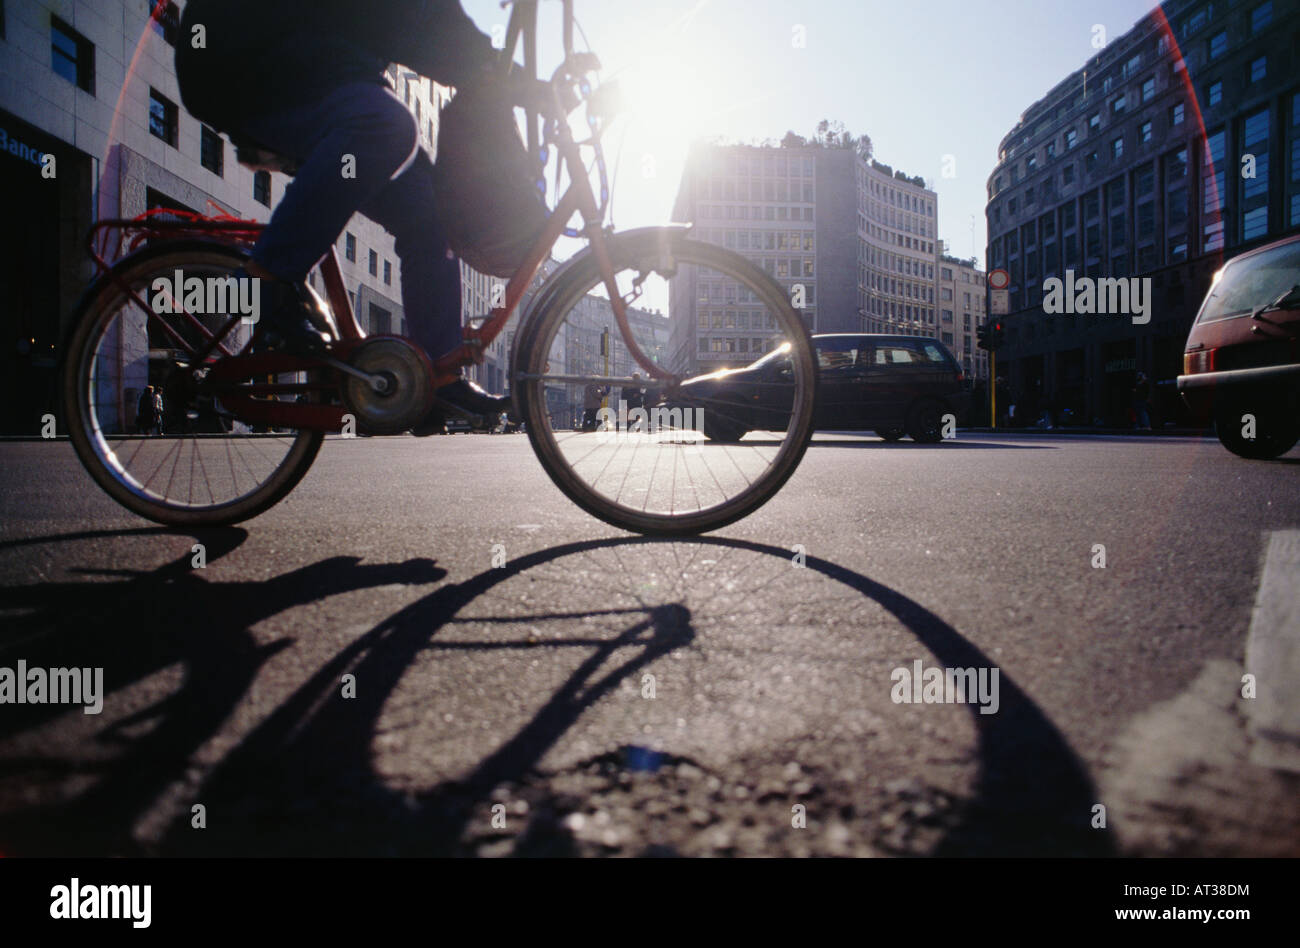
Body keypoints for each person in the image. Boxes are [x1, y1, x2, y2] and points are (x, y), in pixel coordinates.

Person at [175, 0, 549, 433]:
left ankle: (439, 374)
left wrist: (507, 77)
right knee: (386, 125)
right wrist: (507, 77)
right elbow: (417, 19)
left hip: (318, 68)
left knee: (430, 207)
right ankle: (266, 280)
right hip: (237, 54)